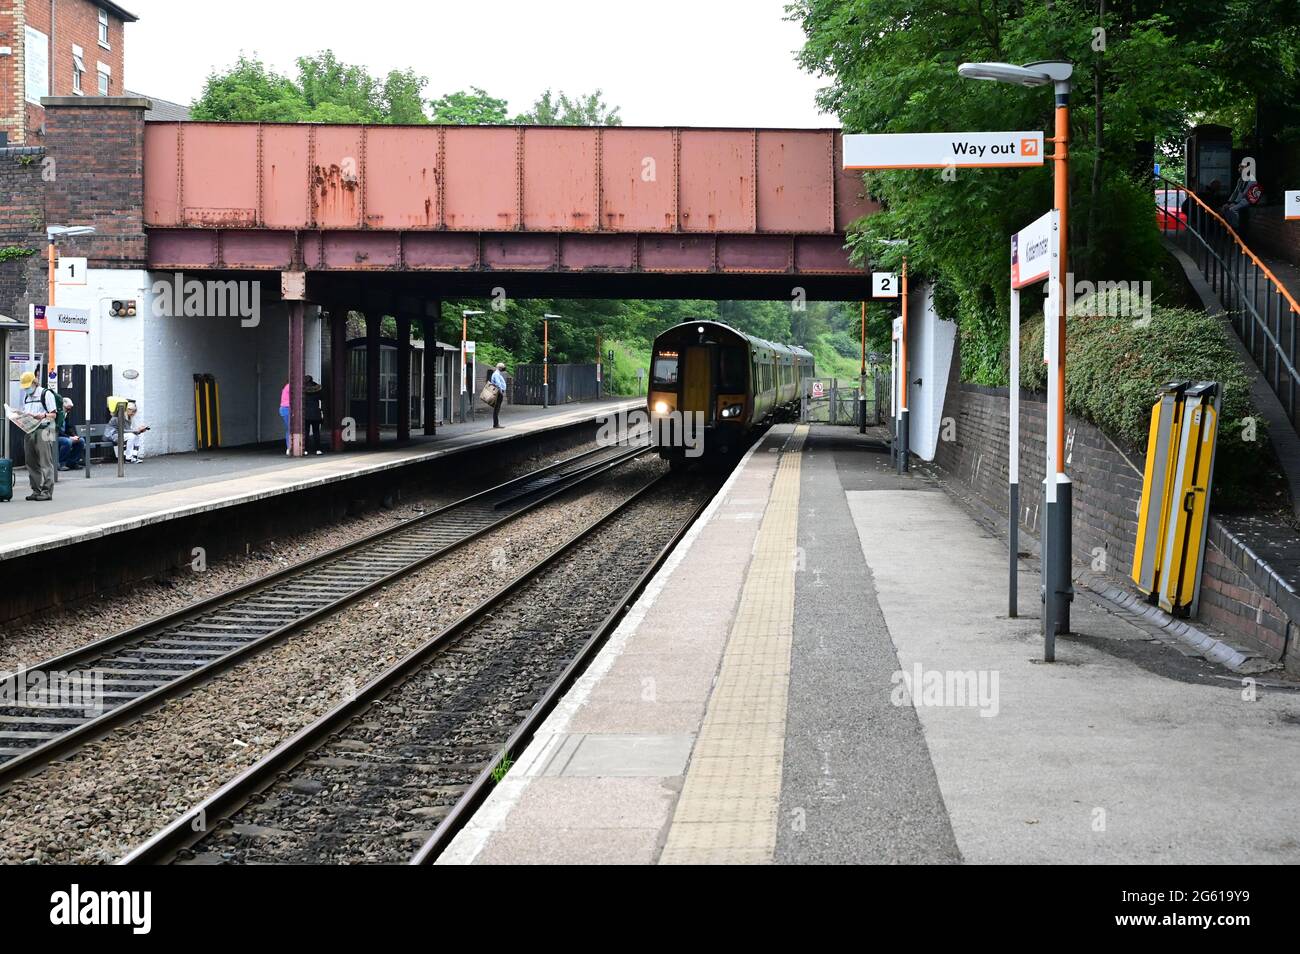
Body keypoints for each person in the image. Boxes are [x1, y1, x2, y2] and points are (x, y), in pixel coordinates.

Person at [18, 371, 57, 501]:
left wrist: (43, 416)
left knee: (45, 461)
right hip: (30, 429)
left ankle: (47, 491)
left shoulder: (46, 394)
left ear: (35, 383)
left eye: (28, 386)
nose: (26, 389)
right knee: (31, 461)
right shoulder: (26, 397)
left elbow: (53, 414)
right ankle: (36, 490)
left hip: (45, 429)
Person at [1223, 162, 1263, 232]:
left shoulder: (1251, 179)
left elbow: (1245, 193)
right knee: (1225, 209)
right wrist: (1229, 202)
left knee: (1232, 209)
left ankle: (1236, 229)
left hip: (1247, 200)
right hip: (1240, 200)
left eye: (1243, 167)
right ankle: (1231, 226)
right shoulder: (1240, 180)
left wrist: (1234, 203)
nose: (1241, 169)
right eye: (1240, 167)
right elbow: (1235, 192)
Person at [57, 397, 85, 471]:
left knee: (81, 441)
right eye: (67, 409)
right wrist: (69, 437)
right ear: (62, 406)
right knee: (67, 442)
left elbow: (69, 427)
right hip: (55, 436)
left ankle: (72, 462)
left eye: (70, 409)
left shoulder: (65, 414)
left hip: (64, 436)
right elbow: (57, 431)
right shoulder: (56, 414)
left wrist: (74, 435)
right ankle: (61, 463)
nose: (69, 411)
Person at [304, 375, 324, 455]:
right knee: (316, 432)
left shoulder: (303, 388)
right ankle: (318, 449)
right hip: (316, 413)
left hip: (306, 413)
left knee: (306, 432)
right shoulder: (317, 389)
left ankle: (305, 450)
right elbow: (322, 398)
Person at [490, 362, 508, 429]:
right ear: (500, 368)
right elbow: (498, 383)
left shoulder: (496, 373)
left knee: (497, 408)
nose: (504, 368)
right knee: (497, 408)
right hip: (498, 393)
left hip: (498, 392)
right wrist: (501, 391)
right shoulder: (496, 374)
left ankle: (496, 423)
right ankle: (496, 424)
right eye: (503, 367)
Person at [279, 381, 291, 455]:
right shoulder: (290, 386)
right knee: (290, 429)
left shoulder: (286, 387)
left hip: (284, 409)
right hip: (287, 408)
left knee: (289, 429)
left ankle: (289, 448)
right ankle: (289, 448)